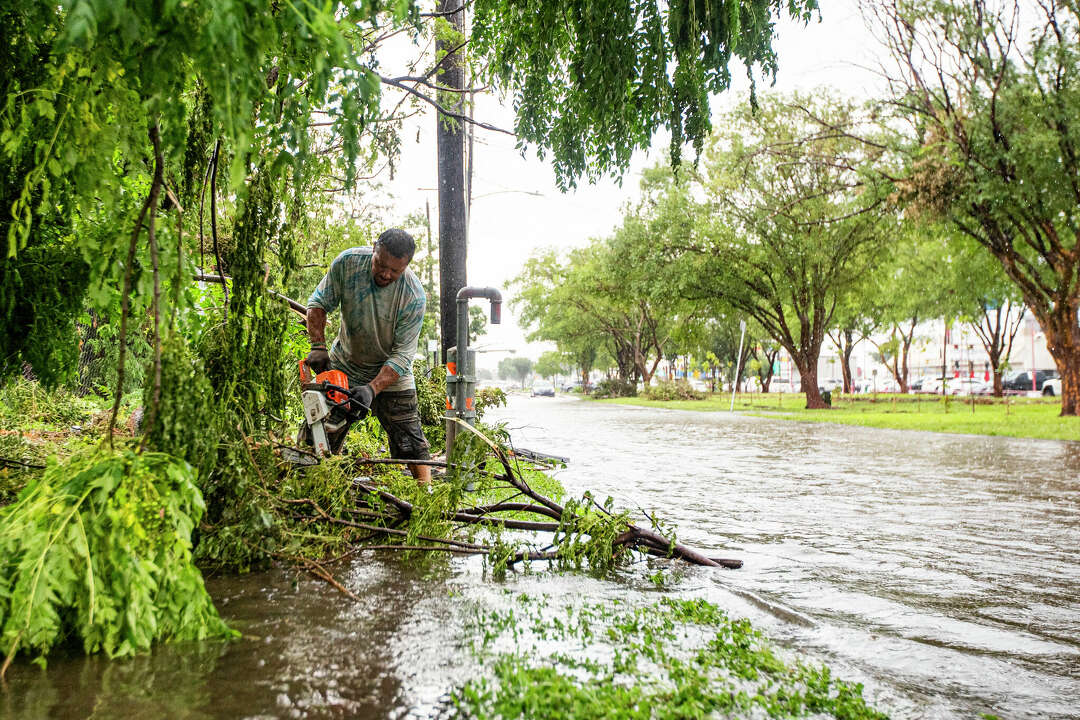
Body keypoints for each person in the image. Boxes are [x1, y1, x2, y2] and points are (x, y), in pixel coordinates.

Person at [304, 228, 431, 484]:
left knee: (411, 441)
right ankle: (315, 485)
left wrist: (372, 389)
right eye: (380, 264)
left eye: (395, 271)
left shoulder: (414, 297)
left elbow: (402, 357)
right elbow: (317, 303)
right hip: (345, 365)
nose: (385, 274)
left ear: (406, 266)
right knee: (318, 432)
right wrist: (318, 345)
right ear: (374, 249)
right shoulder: (348, 264)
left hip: (393, 373)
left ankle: (426, 496)